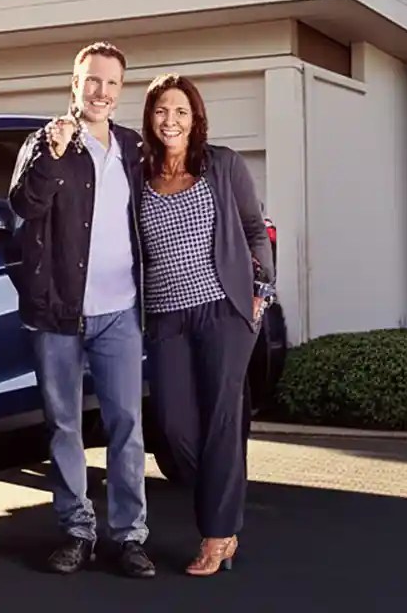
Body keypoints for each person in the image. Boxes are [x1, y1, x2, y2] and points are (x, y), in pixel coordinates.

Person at [6, 41, 155, 578]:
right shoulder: (44, 142)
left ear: (121, 90)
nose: (101, 91)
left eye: (112, 83)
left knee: (126, 426)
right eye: (92, 80)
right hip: (58, 314)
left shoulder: (133, 148)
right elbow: (23, 205)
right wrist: (52, 153)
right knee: (65, 427)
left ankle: (129, 537)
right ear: (75, 83)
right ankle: (76, 532)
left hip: (121, 312)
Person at [135, 73, 275, 576]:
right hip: (166, 316)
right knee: (173, 427)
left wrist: (261, 290)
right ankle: (223, 504)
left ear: (196, 119)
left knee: (221, 422)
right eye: (161, 111)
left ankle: (217, 536)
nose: (170, 120)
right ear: (149, 119)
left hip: (225, 311)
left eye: (180, 111)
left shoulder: (223, 164)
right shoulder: (138, 174)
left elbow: (255, 229)